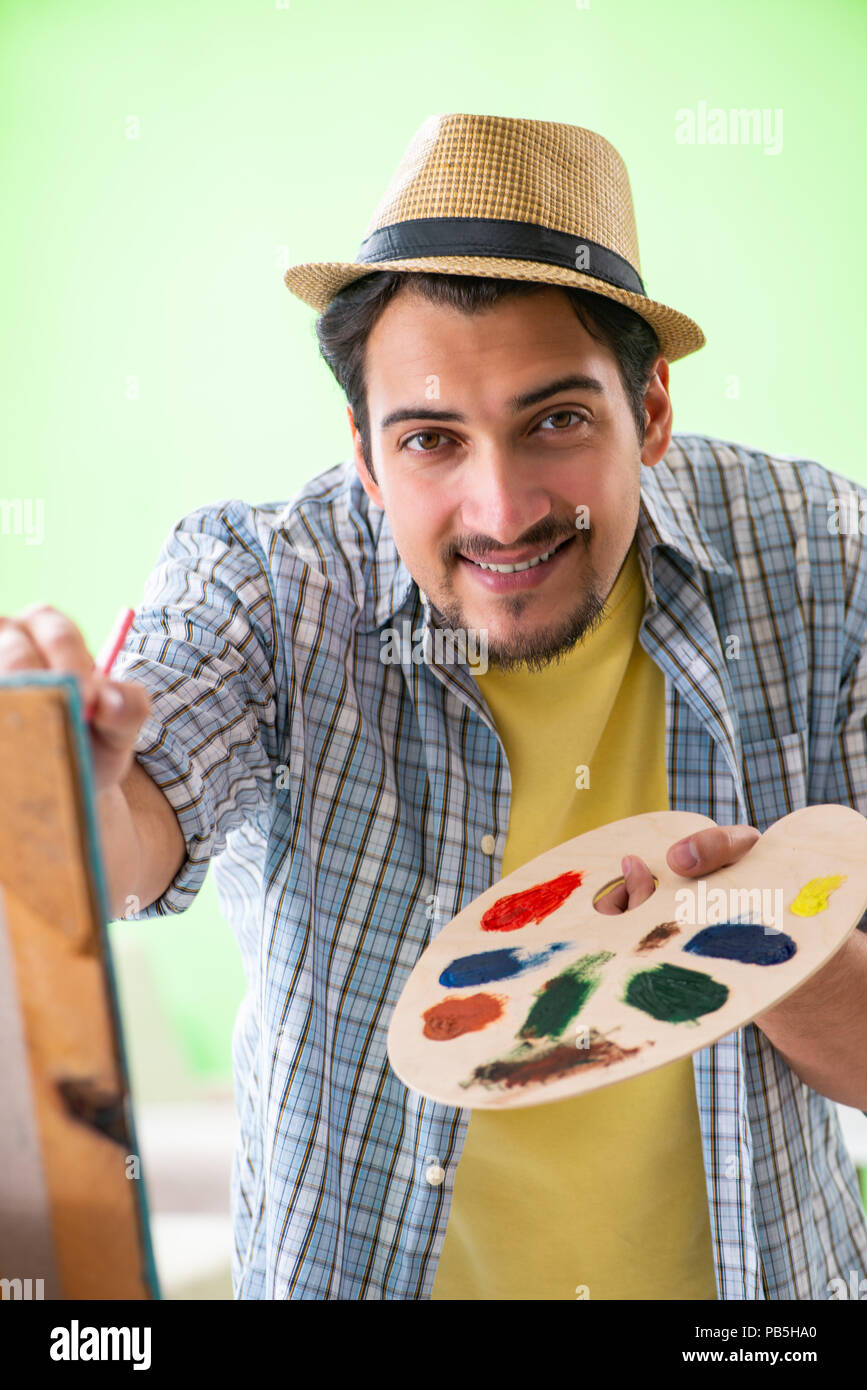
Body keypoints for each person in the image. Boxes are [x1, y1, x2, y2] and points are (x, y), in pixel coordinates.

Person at [4, 113, 867, 1300]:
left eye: (555, 420)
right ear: (362, 456)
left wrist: (761, 939)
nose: (502, 508)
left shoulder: (824, 557)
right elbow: (129, 845)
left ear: (651, 409)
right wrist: (60, 787)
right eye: (430, 441)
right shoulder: (268, 581)